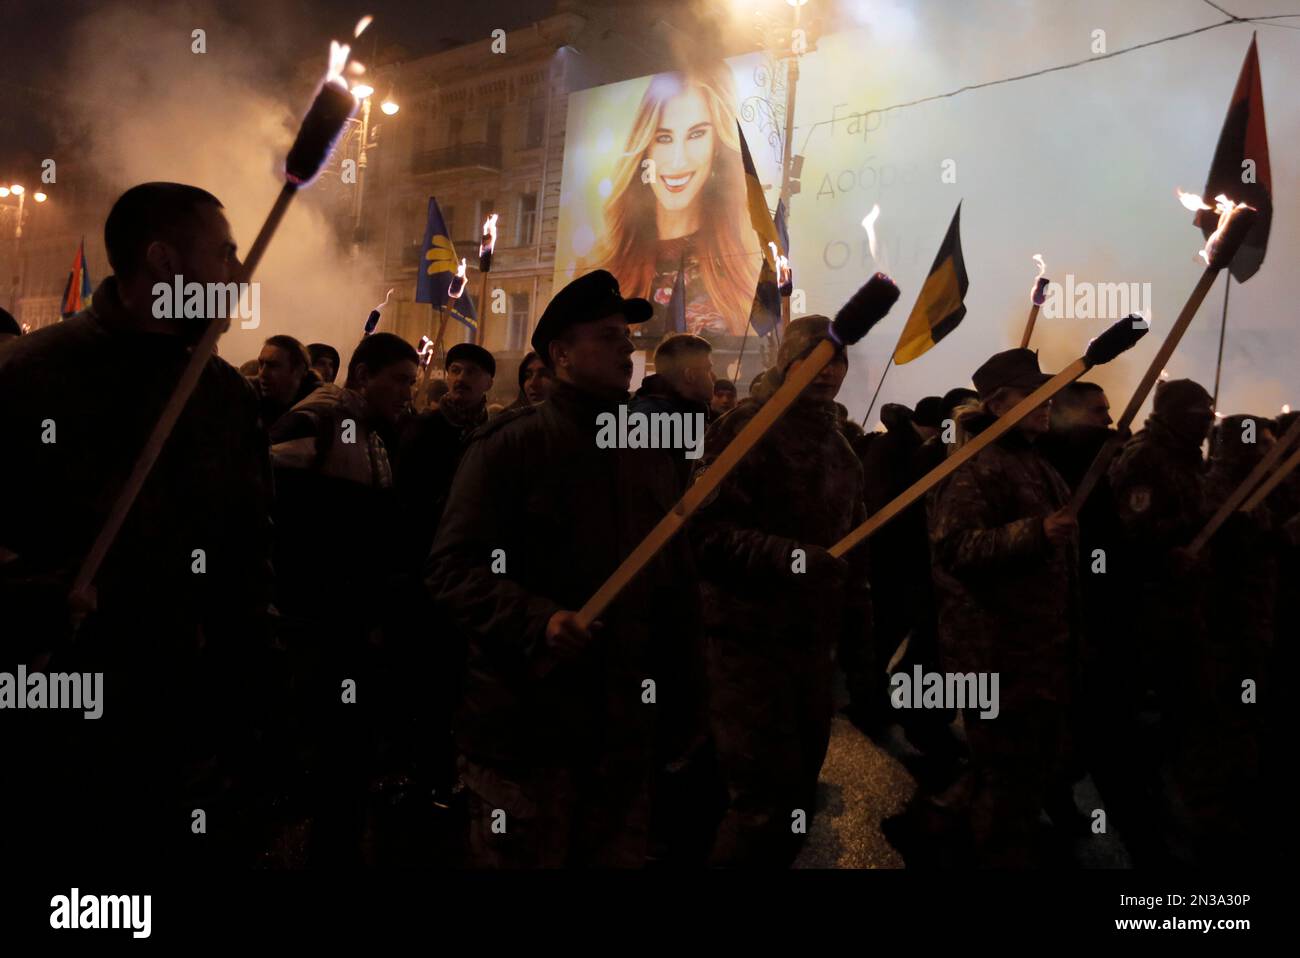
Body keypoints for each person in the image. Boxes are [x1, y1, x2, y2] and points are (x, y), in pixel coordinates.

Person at [0, 182, 275, 869]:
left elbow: (247, 558)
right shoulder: (32, 374)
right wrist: (26, 598)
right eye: (224, 254)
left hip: (182, 721)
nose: (241, 274)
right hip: (52, 716)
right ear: (162, 260)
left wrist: (252, 704)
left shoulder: (223, 395)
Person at [426, 270, 701, 867]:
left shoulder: (650, 450)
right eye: (608, 335)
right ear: (561, 354)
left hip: (622, 734)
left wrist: (683, 695)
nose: (627, 348)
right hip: (526, 735)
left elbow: (673, 577)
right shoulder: (511, 445)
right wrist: (539, 621)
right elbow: (453, 568)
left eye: (627, 337)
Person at [692, 315, 872, 867]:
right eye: (812, 361)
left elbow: (853, 541)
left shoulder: (840, 447)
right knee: (760, 803)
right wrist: (791, 559)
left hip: (811, 647)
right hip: (747, 643)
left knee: (798, 795)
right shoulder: (746, 426)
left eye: (836, 362)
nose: (827, 373)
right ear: (786, 363)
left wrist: (858, 620)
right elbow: (705, 532)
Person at [267, 331, 418, 865]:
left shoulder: (375, 434)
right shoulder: (318, 421)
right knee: (331, 743)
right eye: (399, 380)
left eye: (412, 382)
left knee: (349, 746)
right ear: (360, 376)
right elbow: (268, 509)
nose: (407, 392)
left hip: (350, 621)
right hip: (317, 622)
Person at [928, 348, 1080, 868]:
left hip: (1034, 647)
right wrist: (1035, 532)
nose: (1048, 404)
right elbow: (956, 548)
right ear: (997, 404)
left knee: (1017, 767)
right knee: (1008, 773)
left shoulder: (1033, 460)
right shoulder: (978, 465)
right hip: (993, 651)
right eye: (1033, 395)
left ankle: (950, 828)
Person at [583, 63, 760, 337]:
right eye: (664, 138)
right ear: (646, 149)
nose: (678, 160)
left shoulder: (747, 267)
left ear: (717, 146)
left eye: (697, 134)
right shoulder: (603, 268)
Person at [631, 333, 715, 487]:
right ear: (690, 375)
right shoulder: (651, 421)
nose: (713, 377)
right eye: (708, 369)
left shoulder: (684, 411)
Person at [256, 333, 319, 429]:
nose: (263, 373)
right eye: (261, 364)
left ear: (298, 370)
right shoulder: (250, 403)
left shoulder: (317, 411)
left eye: (273, 366)